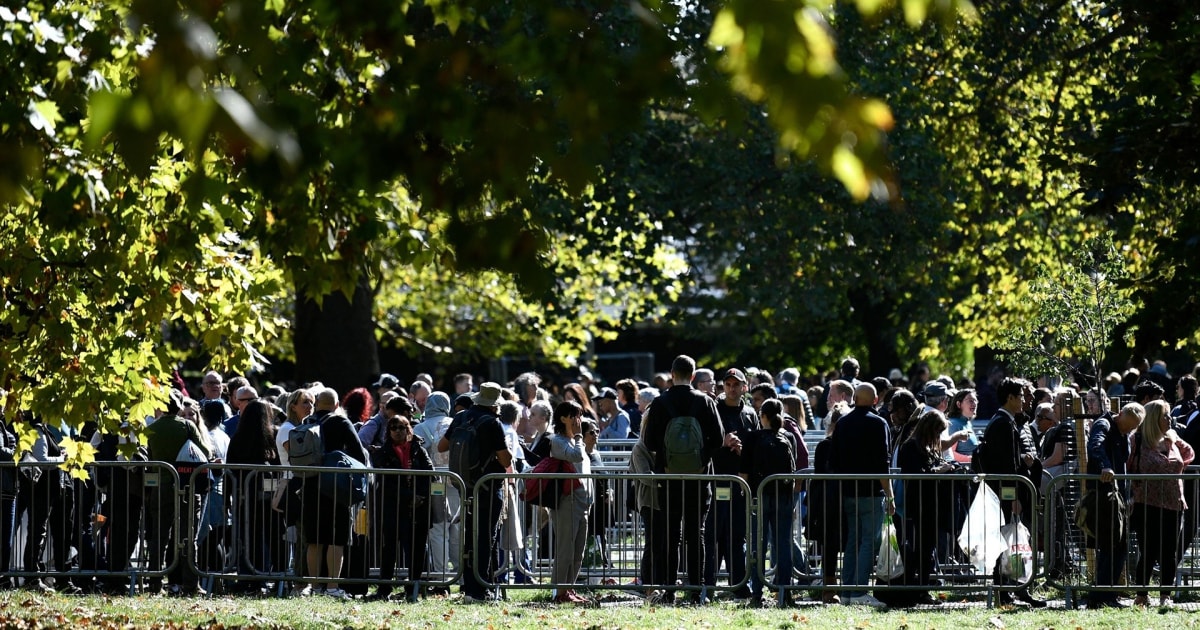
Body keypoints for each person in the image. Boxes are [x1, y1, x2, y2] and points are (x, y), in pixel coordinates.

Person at [641, 355, 725, 604]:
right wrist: (700, 459)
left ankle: (669, 590)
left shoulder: (659, 403)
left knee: (670, 535)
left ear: (671, 373)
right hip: (699, 480)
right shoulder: (705, 402)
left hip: (668, 478)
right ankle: (697, 590)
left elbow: (649, 441)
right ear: (693, 375)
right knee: (695, 533)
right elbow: (718, 439)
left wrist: (668, 458)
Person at [437, 382, 512, 603]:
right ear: (495, 405)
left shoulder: (461, 418)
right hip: (488, 487)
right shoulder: (492, 423)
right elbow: (505, 459)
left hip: (465, 486)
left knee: (469, 537)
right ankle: (480, 590)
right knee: (486, 538)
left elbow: (442, 446)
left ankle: (470, 587)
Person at [296, 388, 370, 599]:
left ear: (317, 403)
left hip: (310, 485)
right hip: (336, 487)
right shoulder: (341, 422)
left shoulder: (307, 422)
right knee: (336, 539)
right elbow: (358, 453)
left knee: (314, 539)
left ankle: (314, 586)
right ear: (337, 405)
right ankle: (332, 586)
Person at [830, 383, 893, 607]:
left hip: (848, 491)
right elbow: (882, 463)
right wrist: (890, 494)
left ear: (855, 398)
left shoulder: (843, 423)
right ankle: (858, 590)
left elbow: (834, 458)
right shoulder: (879, 423)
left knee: (853, 541)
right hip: (871, 492)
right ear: (875, 400)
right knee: (869, 540)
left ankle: (848, 590)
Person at [144, 391, 212, 596]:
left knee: (159, 536)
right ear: (179, 407)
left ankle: (155, 584)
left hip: (161, 486)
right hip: (187, 486)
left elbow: (148, 456)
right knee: (187, 537)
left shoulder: (151, 429)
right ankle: (191, 584)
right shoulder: (187, 426)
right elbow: (205, 453)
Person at [1128, 400, 1194, 608]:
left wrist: (1174, 440)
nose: (1169, 419)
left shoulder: (1170, 440)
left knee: (1169, 552)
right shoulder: (1137, 440)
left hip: (1173, 502)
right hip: (1146, 503)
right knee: (1147, 550)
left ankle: (1166, 595)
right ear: (1154, 418)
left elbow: (1189, 454)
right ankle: (1142, 595)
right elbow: (1133, 464)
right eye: (1165, 415)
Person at [1085, 402, 1145, 609]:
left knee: (1117, 546)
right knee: (1112, 545)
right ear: (1120, 414)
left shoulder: (1123, 432)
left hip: (1118, 495)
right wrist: (1105, 467)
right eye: (1126, 426)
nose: (1127, 431)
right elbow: (1095, 446)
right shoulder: (1104, 424)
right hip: (1105, 494)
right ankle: (1100, 595)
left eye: (1131, 428)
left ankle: (1105, 594)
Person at [739, 398, 798, 608]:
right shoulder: (789, 436)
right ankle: (785, 590)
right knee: (783, 544)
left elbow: (743, 472)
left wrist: (745, 495)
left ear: (761, 416)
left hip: (758, 495)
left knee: (757, 545)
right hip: (783, 495)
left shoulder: (752, 438)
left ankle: (757, 592)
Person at [896, 410, 957, 607]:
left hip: (931, 503)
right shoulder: (911, 447)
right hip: (918, 504)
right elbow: (915, 474)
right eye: (937, 433)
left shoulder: (928, 447)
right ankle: (917, 590)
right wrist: (938, 470)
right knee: (920, 549)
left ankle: (922, 588)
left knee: (928, 549)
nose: (939, 438)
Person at [370, 414, 435, 602]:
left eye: (402, 427)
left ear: (409, 429)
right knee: (389, 550)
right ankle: (384, 589)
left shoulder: (418, 449)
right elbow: (387, 482)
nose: (398, 431)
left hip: (418, 508)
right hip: (392, 507)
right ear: (388, 431)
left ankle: (414, 588)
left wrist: (420, 496)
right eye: (394, 427)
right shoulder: (382, 452)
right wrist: (409, 496)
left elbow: (429, 473)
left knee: (416, 550)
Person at [705, 368, 756, 598]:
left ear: (744, 387)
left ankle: (739, 585)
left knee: (738, 537)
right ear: (723, 387)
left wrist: (743, 450)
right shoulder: (713, 411)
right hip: (716, 483)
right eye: (728, 384)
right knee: (713, 535)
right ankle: (708, 584)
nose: (732, 388)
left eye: (736, 384)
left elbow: (755, 445)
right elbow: (704, 444)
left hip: (740, 485)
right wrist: (723, 442)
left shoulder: (750, 413)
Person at [225, 400, 284, 587]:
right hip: (270, 498)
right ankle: (277, 575)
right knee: (274, 536)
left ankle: (248, 576)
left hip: (245, 497)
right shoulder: (273, 436)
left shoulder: (238, 438)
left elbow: (230, 470)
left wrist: (228, 497)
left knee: (249, 537)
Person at [546, 401, 593, 603]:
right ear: (563, 418)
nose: (578, 420)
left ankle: (569, 589)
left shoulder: (574, 440)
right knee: (565, 548)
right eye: (574, 415)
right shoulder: (558, 440)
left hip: (583, 502)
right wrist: (579, 436)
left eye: (580, 415)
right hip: (567, 501)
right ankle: (559, 592)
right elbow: (575, 456)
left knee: (578, 550)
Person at [807, 403, 850, 604]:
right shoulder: (826, 445)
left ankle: (849, 586)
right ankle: (829, 586)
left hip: (844, 498)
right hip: (829, 501)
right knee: (830, 546)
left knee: (844, 544)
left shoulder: (846, 445)